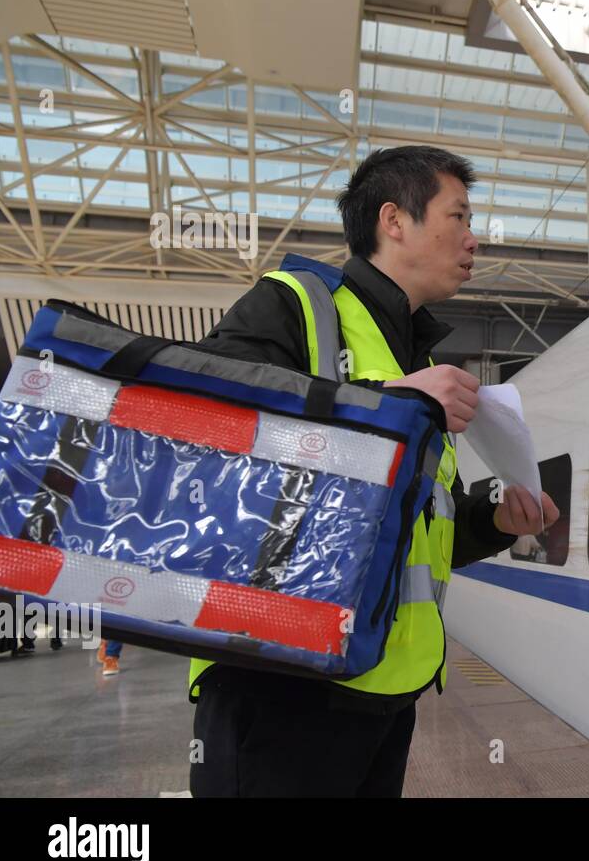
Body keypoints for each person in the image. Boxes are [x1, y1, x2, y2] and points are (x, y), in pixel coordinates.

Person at [187, 145, 559, 797]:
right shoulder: (296, 304)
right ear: (394, 220)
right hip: (281, 682)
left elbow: (421, 536)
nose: (474, 241)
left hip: (386, 692)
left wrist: (496, 520)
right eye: (459, 217)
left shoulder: (411, 357)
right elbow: (210, 428)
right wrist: (393, 402)